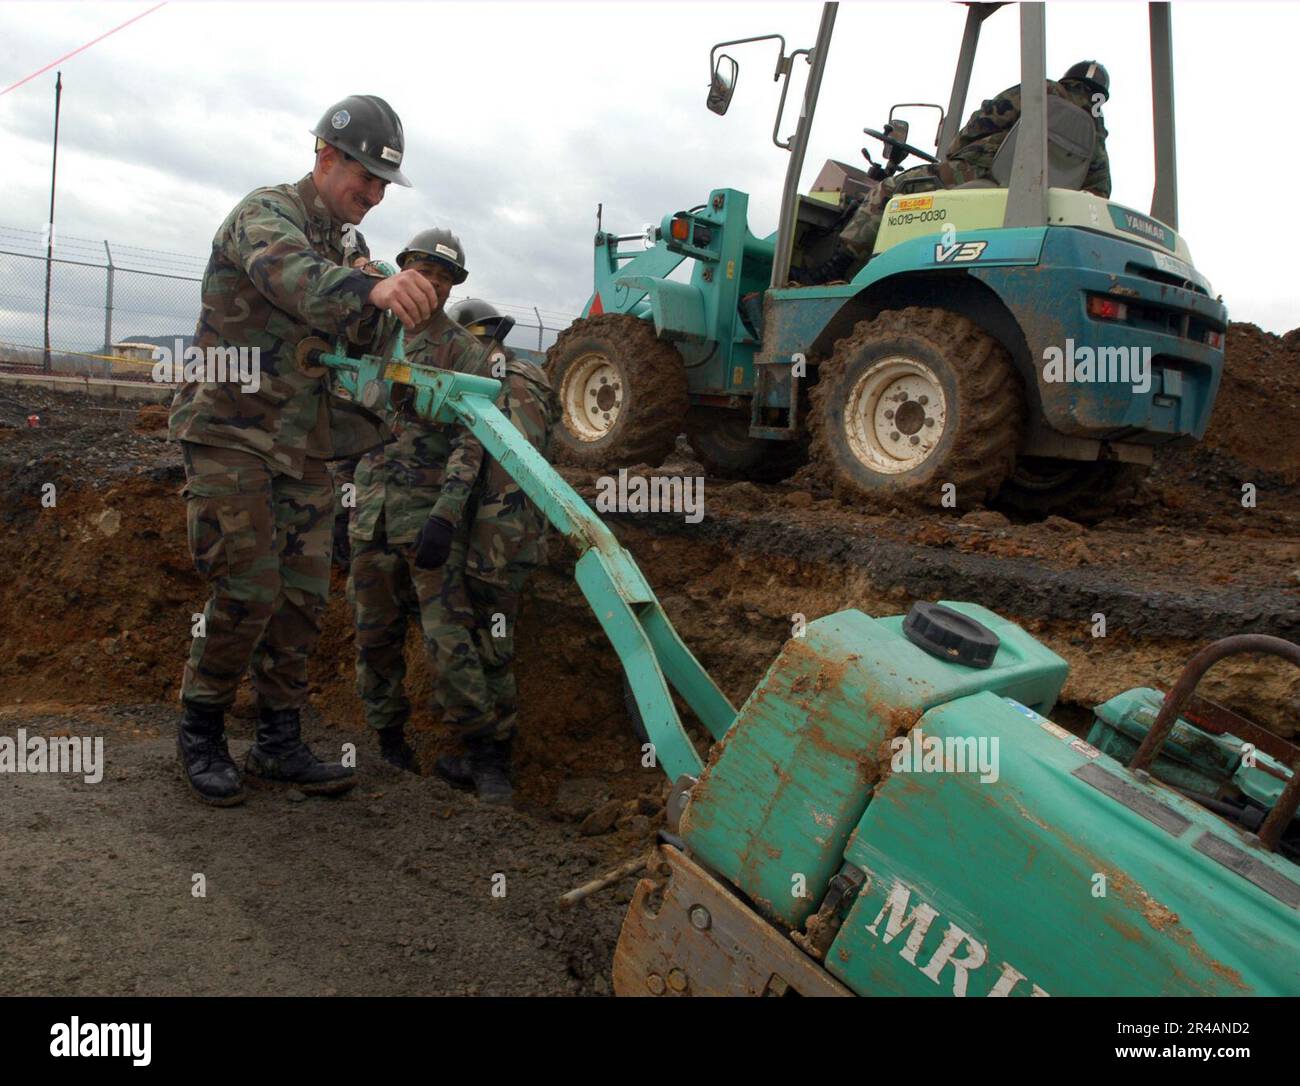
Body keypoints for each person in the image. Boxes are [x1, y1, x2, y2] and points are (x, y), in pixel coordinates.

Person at [169, 94, 442, 807]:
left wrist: (405, 322)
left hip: (303, 446)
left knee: (302, 598)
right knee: (247, 586)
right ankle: (201, 729)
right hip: (230, 431)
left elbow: (363, 330)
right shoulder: (268, 215)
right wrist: (373, 289)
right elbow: (292, 278)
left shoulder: (348, 248)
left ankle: (278, 741)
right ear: (326, 157)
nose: (375, 196)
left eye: (385, 185)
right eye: (366, 178)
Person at [346, 230, 494, 777]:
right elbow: (352, 416)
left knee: (449, 640)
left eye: (443, 276)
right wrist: (349, 502)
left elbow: (472, 438)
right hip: (371, 516)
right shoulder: (378, 335)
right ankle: (388, 741)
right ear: (405, 268)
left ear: (452, 286)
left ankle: (482, 754)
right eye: (423, 269)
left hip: (427, 520)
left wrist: (446, 513)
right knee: (374, 635)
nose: (430, 282)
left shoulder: (464, 351)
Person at [428, 299, 560, 805]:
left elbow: (469, 458)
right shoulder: (534, 380)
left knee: (471, 646)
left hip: (483, 539)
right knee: (497, 644)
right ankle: (494, 766)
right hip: (524, 537)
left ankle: (488, 763)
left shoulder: (477, 382)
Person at [817, 61, 1111, 282]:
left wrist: (956, 156)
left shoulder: (1044, 91)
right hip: (1033, 203)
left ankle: (834, 268)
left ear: (1068, 79)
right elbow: (1100, 190)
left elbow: (984, 120)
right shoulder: (1096, 132)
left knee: (891, 189)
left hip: (982, 171)